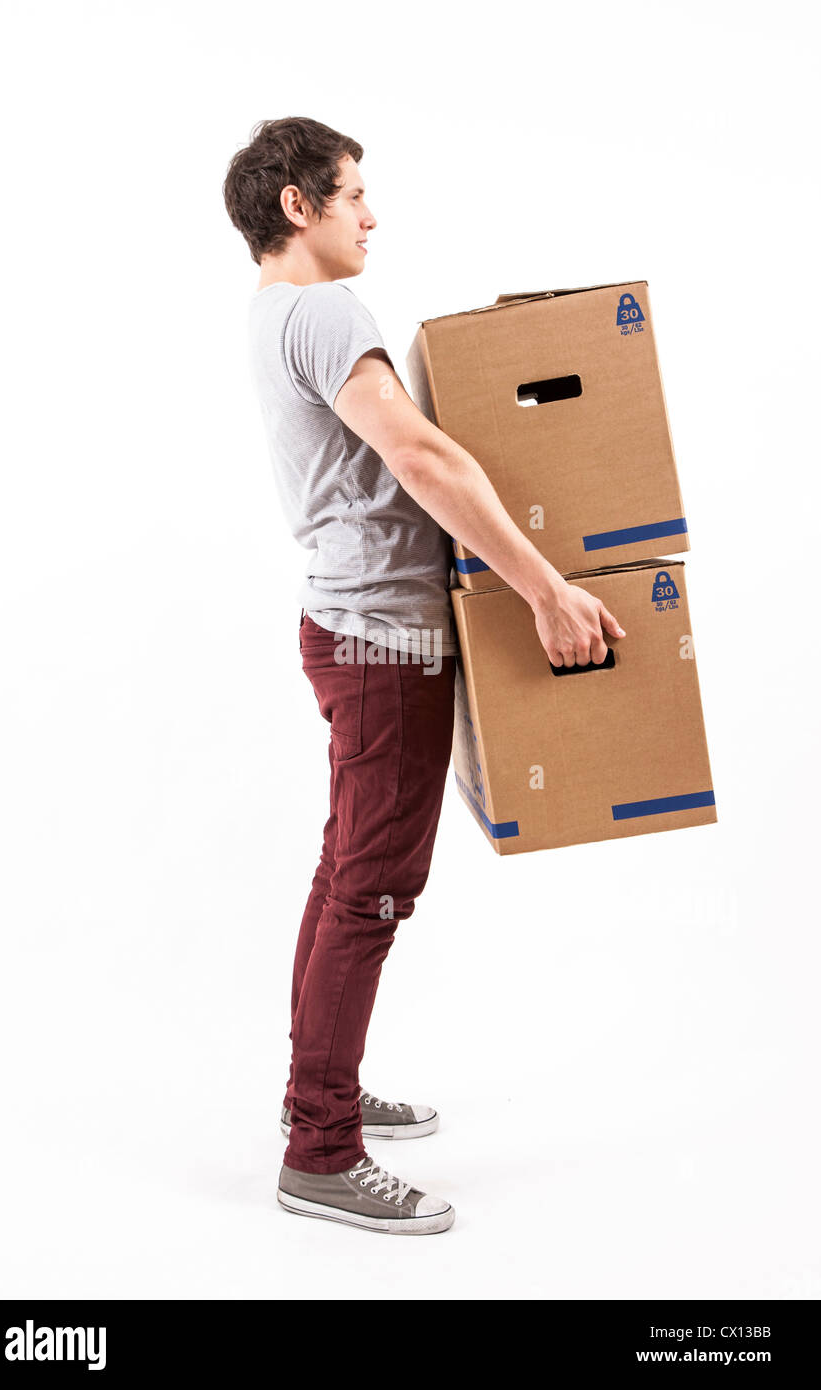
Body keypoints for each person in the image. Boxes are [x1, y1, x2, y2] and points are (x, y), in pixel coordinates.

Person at [223, 116, 625, 1236]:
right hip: (381, 643)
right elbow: (420, 454)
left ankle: (324, 1091)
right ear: (295, 205)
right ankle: (321, 1149)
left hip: (345, 629)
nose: (370, 212)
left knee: (341, 874)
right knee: (370, 890)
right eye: (352, 193)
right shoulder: (321, 308)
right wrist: (546, 590)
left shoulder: (273, 315)